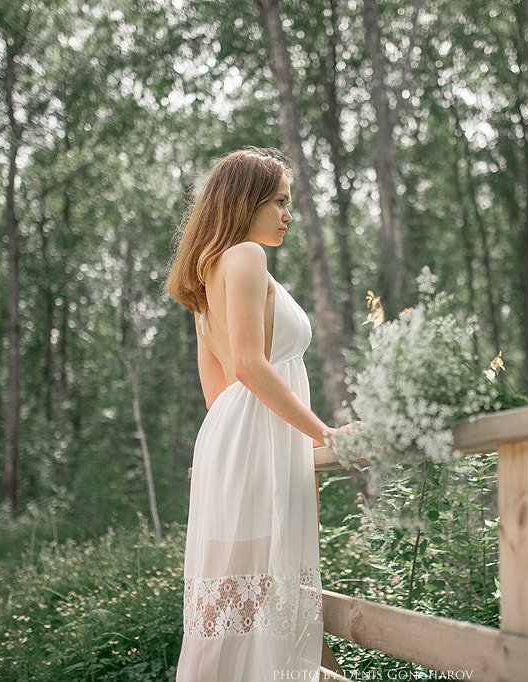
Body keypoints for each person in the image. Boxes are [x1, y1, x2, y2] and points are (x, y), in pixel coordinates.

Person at [166, 148, 344, 681]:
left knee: (241, 604)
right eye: (280, 201)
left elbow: (216, 393)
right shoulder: (246, 256)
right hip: (254, 441)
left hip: (235, 439)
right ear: (246, 202)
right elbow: (248, 365)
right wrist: (325, 433)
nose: (289, 214)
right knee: (265, 598)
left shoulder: (206, 275)